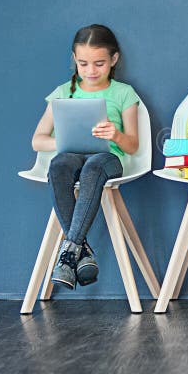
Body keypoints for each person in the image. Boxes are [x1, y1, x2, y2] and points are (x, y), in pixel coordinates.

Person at [31, 24, 140, 289]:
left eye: (99, 63)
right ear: (75, 60)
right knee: (58, 165)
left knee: (93, 166)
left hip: (107, 159)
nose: (91, 71)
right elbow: (37, 140)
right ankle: (81, 252)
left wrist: (115, 135)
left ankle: (69, 251)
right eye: (83, 64)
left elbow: (133, 146)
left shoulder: (124, 93)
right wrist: (64, 140)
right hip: (71, 155)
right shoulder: (62, 93)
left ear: (114, 59)